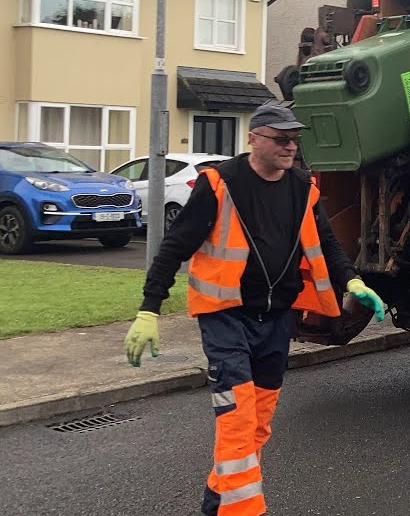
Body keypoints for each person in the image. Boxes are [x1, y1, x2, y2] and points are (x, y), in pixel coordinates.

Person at [124, 103, 387, 516]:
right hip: (226, 316)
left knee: (258, 422)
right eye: (281, 139)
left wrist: (352, 281)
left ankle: (218, 501)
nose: (290, 147)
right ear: (254, 138)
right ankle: (244, 510)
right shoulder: (219, 184)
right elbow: (175, 246)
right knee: (237, 417)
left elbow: (327, 242)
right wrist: (149, 309)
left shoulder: (302, 186)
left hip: (277, 319)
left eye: (295, 140)